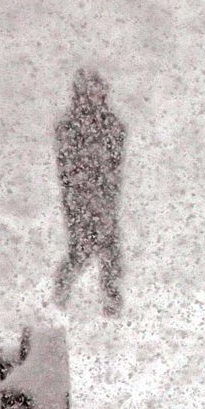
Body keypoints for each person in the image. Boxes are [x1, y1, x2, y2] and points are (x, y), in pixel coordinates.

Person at [52, 68, 126, 315]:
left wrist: (104, 185)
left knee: (109, 249)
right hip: (80, 198)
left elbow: (115, 157)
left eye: (98, 90)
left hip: (103, 196)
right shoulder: (70, 125)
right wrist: (84, 185)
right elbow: (67, 166)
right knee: (82, 249)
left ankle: (111, 299)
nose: (96, 95)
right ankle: (60, 293)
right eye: (91, 90)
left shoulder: (109, 123)